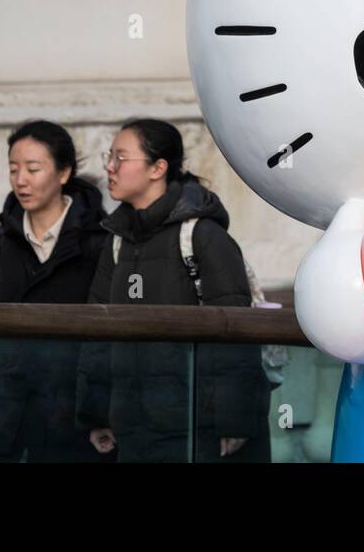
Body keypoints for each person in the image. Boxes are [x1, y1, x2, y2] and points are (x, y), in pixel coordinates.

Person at [76, 118, 272, 462]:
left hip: (197, 429)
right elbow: (97, 334)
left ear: (158, 168)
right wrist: (97, 415)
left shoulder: (202, 236)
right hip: (133, 428)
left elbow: (236, 332)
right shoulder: (116, 241)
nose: (110, 167)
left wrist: (233, 420)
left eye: (121, 158)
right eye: (110, 157)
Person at [0, 120, 110, 462]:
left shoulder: (99, 244)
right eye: (14, 169)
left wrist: (101, 413)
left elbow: (106, 339)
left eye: (33, 168)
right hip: (3, 406)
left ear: (64, 173)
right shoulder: (4, 240)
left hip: (70, 414)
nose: (21, 180)